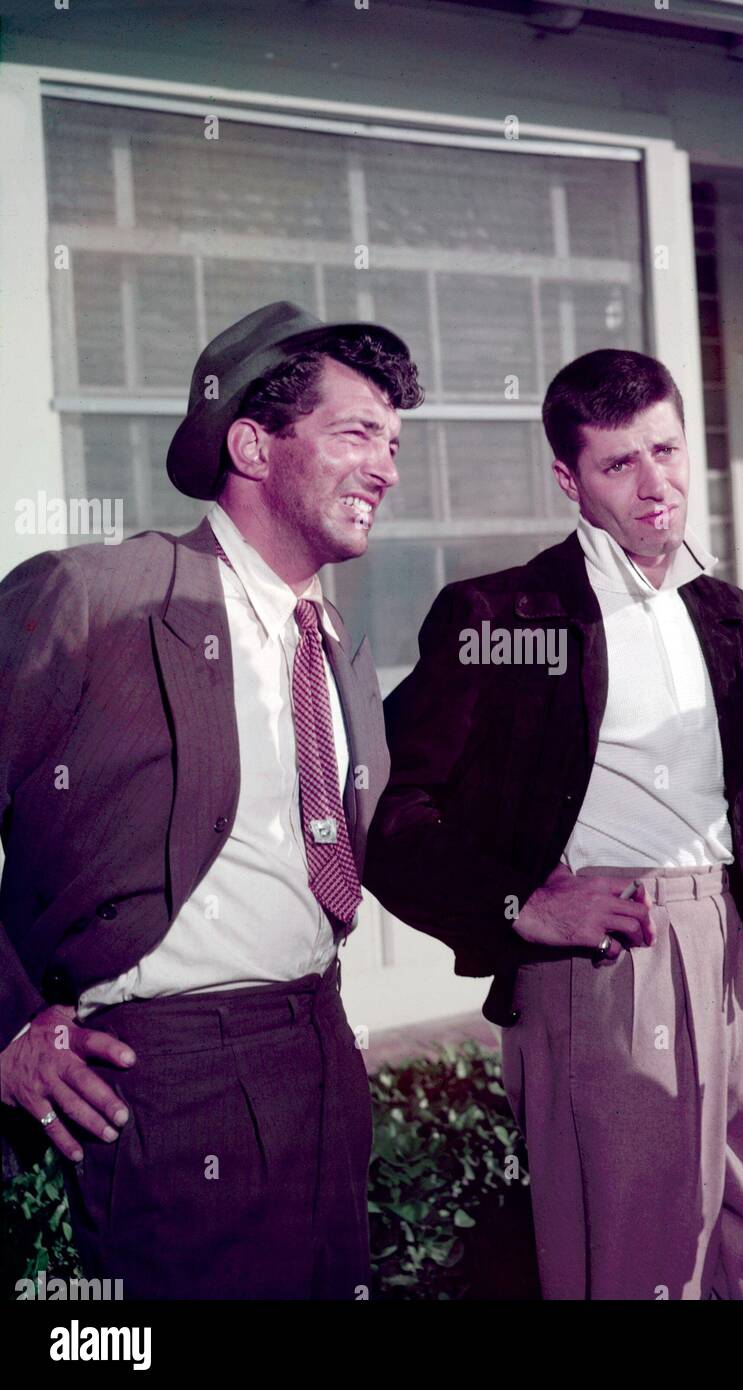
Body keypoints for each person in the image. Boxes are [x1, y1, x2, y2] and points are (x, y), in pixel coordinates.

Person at [364, 348, 743, 1300]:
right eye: (620, 464)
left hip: (733, 952)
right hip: (605, 967)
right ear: (568, 480)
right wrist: (521, 904)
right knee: (639, 1266)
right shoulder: (500, 615)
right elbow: (393, 817)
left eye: (666, 450)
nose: (656, 483)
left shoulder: (723, 610)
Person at [0, 301, 423, 1299]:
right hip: (172, 1079)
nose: (387, 469)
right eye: (356, 433)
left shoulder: (335, 647)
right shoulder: (100, 596)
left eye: (395, 443)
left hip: (321, 1043)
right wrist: (11, 1027)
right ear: (253, 443)